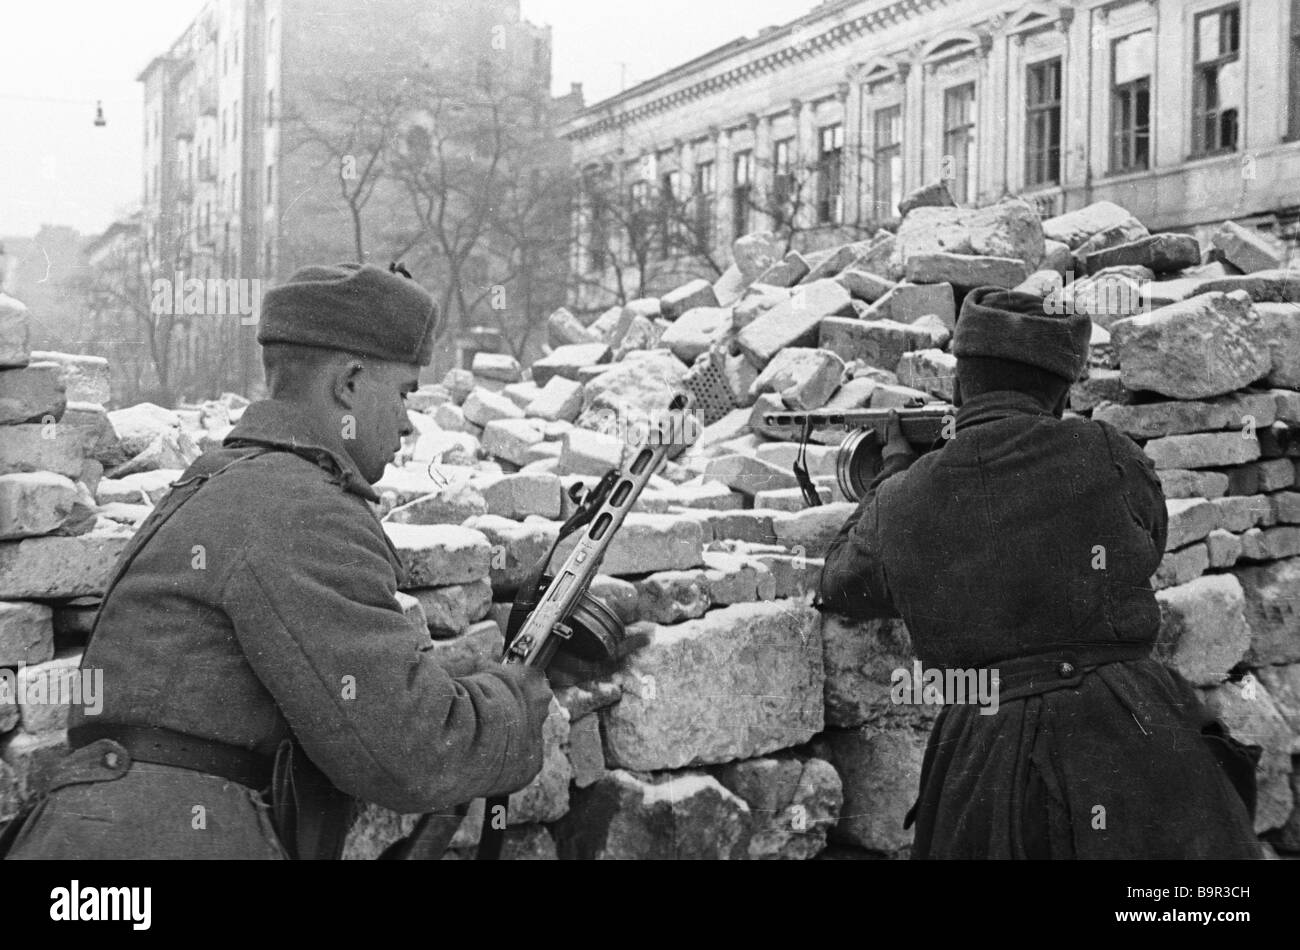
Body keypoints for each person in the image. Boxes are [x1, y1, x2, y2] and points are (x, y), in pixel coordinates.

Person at [4, 263, 553, 860]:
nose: (405, 421)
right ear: (348, 383)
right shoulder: (300, 506)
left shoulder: (223, 481)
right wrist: (516, 703)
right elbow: (406, 750)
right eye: (402, 393)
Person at [818, 286, 1262, 860]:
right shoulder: (1107, 450)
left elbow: (838, 584)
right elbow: (1149, 538)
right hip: (1141, 726)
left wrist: (895, 469)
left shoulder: (906, 498)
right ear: (1061, 391)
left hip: (993, 753)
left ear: (960, 381)